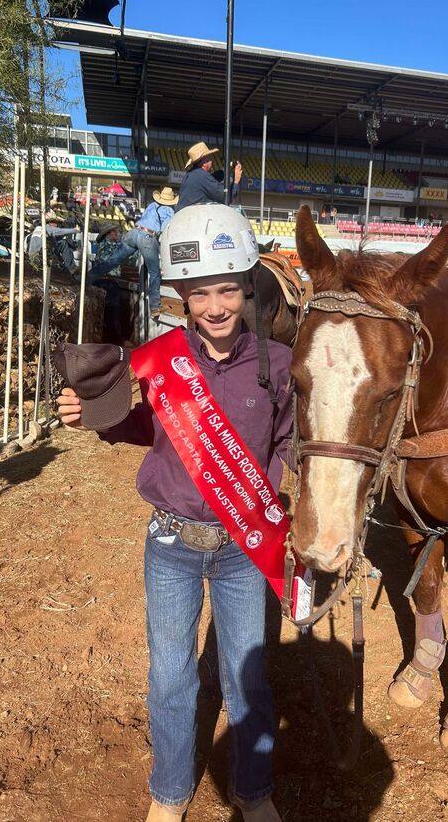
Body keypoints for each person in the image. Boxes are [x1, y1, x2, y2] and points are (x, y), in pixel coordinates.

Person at [56, 204, 291, 822]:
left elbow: (289, 441)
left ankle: (254, 789)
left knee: (249, 682)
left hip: (244, 548)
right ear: (180, 296)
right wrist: (96, 420)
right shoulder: (162, 359)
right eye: (197, 293)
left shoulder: (280, 366)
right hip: (170, 545)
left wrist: (276, 491)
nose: (214, 307)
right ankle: (169, 791)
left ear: (247, 287)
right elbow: (146, 427)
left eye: (226, 290)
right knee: (170, 678)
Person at [88, 187, 178, 320]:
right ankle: (155, 307)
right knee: (154, 273)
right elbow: (164, 230)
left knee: (113, 261)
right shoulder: (170, 211)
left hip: (133, 233)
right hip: (147, 237)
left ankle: (86, 279)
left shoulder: (152, 205)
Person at [178, 141, 243, 209]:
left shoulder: (190, 175)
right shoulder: (202, 176)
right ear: (204, 162)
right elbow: (226, 197)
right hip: (196, 217)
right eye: (210, 157)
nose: (212, 160)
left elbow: (214, 177)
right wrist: (236, 181)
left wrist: (228, 169)